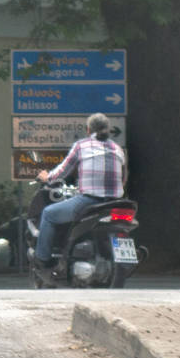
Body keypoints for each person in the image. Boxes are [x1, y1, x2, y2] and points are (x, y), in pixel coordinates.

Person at [31, 112, 127, 283]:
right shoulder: (117, 149)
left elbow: (62, 172)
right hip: (115, 202)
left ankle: (43, 261)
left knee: (49, 214)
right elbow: (123, 178)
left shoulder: (81, 146)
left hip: (90, 201)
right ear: (108, 129)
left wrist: (47, 177)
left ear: (88, 129)